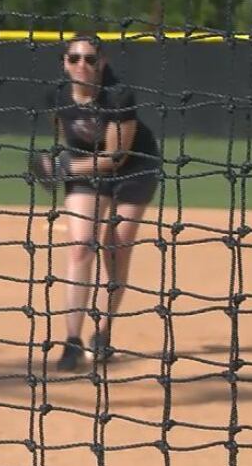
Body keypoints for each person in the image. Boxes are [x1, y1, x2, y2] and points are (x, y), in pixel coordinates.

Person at [34, 34, 163, 373]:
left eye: (90, 59)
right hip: (87, 166)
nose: (82, 65)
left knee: (116, 247)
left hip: (134, 167)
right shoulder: (57, 95)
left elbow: (116, 157)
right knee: (80, 246)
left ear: (102, 62)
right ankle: (72, 341)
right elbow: (70, 136)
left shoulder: (118, 96)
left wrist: (62, 168)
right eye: (74, 58)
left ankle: (103, 332)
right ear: (64, 63)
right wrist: (59, 163)